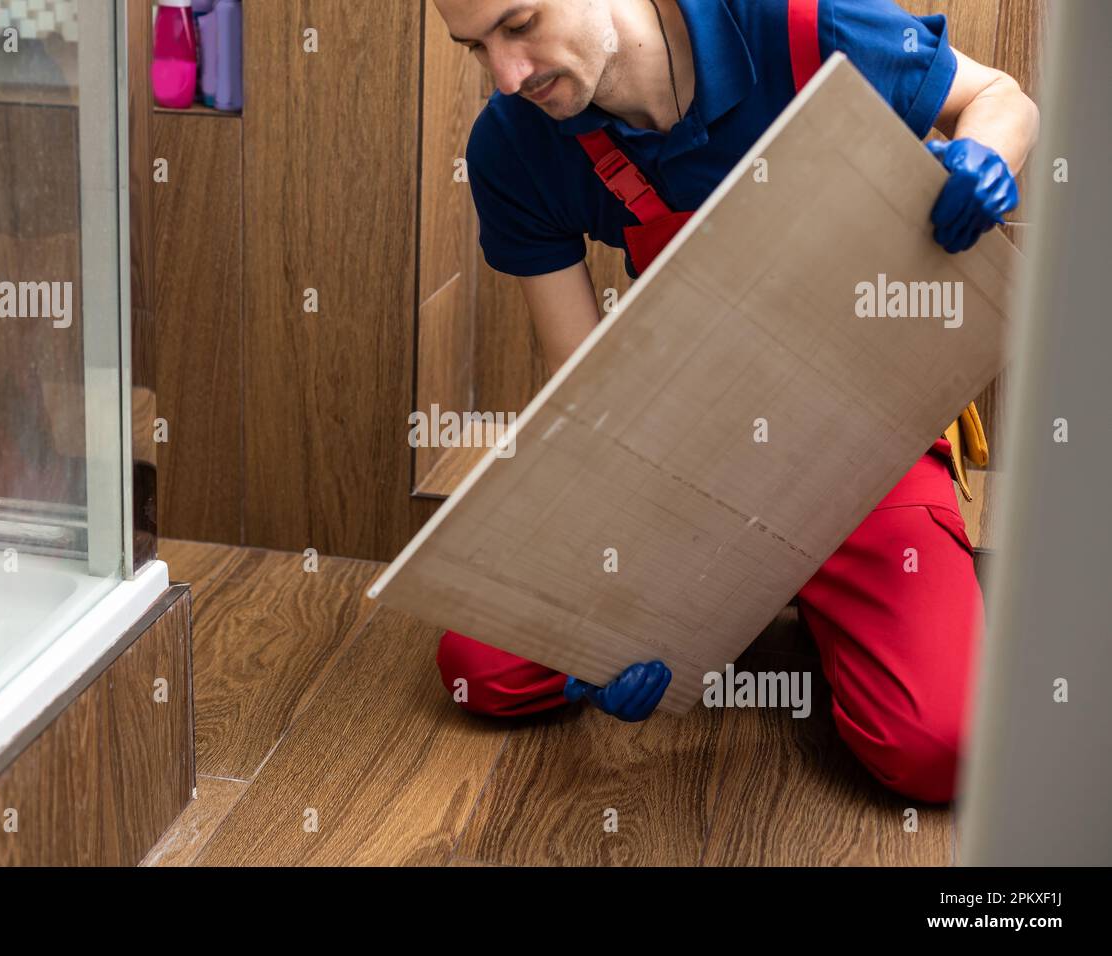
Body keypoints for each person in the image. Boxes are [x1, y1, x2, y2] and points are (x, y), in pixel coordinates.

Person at [431, 0, 1038, 802]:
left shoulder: (797, 24)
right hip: (690, 460)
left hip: (868, 445)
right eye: (476, 49)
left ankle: (830, 600)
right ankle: (761, 599)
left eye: (520, 25)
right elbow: (583, 395)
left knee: (943, 749)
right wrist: (602, 626)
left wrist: (984, 160)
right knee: (482, 668)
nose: (507, 76)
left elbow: (1000, 99)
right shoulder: (512, 142)